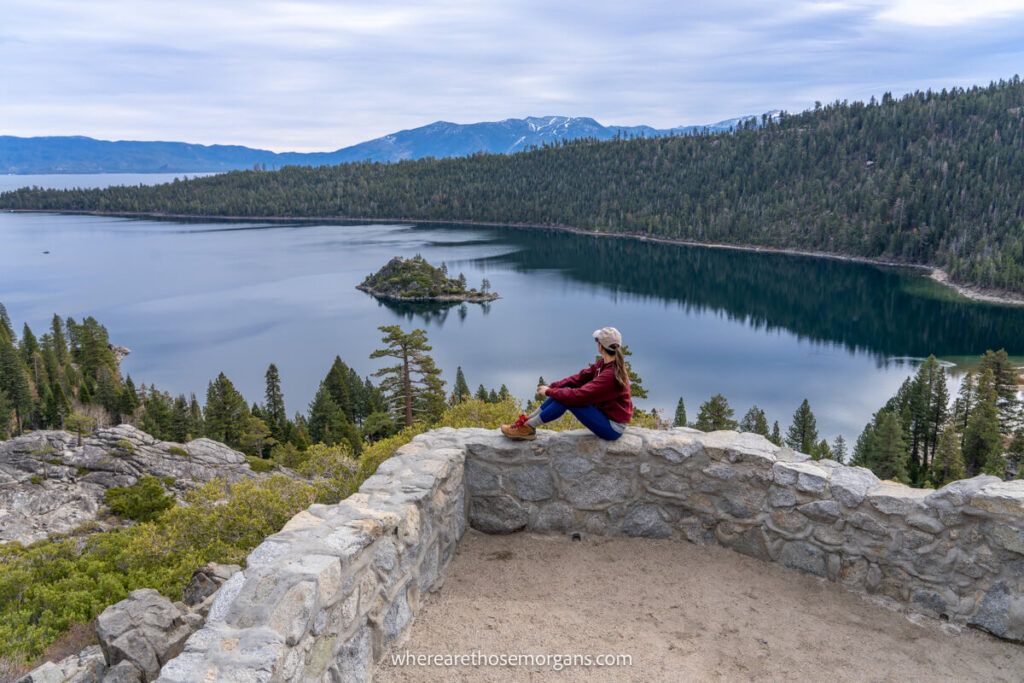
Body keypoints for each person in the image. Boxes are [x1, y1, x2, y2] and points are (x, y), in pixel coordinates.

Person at [501, 327, 633, 441]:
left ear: (600, 346)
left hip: (612, 427)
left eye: (596, 341)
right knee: (562, 393)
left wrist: (548, 392)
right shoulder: (603, 363)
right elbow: (579, 378)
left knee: (567, 399)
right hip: (604, 415)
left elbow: (578, 396)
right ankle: (526, 422)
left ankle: (528, 428)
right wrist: (554, 386)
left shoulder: (611, 375)